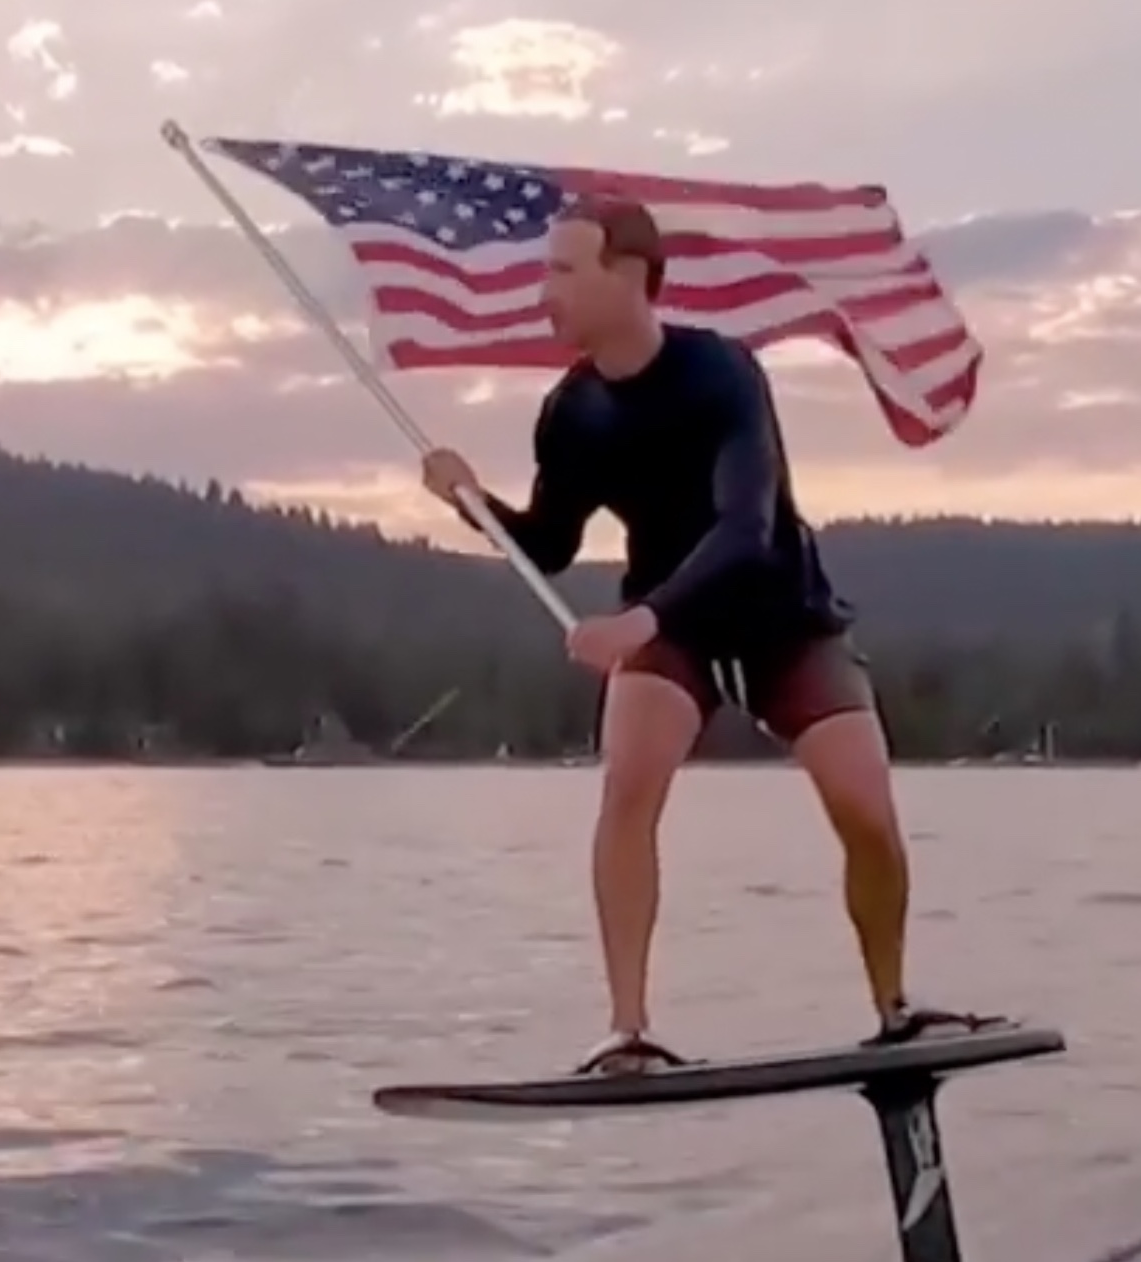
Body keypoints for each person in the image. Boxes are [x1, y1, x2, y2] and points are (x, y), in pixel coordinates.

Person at [421, 193, 999, 1076]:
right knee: (627, 791)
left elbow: (743, 527)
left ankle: (893, 1009)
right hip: (669, 628)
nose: (544, 293)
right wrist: (473, 505)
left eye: (561, 272)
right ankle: (627, 1032)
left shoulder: (721, 372)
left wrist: (638, 621)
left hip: (778, 612)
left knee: (867, 815)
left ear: (629, 277)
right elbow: (548, 543)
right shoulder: (570, 412)